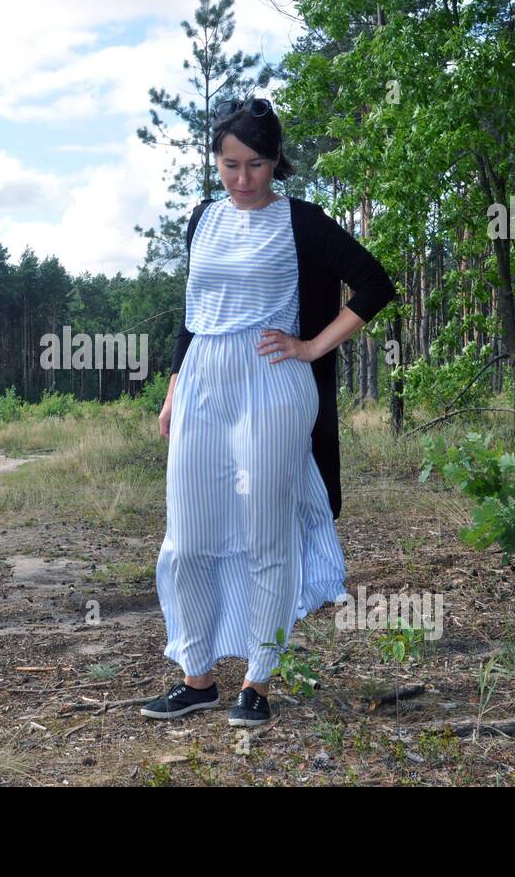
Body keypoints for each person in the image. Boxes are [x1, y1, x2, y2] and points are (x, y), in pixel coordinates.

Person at [140, 96, 397, 727]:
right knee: (188, 535)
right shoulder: (202, 218)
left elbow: (375, 284)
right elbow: (193, 313)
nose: (242, 178)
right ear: (217, 161)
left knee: (264, 532)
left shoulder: (302, 221)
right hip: (203, 384)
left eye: (255, 164)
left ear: (276, 162)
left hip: (274, 385)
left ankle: (258, 678)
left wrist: (312, 346)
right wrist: (174, 388)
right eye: (229, 163)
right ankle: (195, 677)